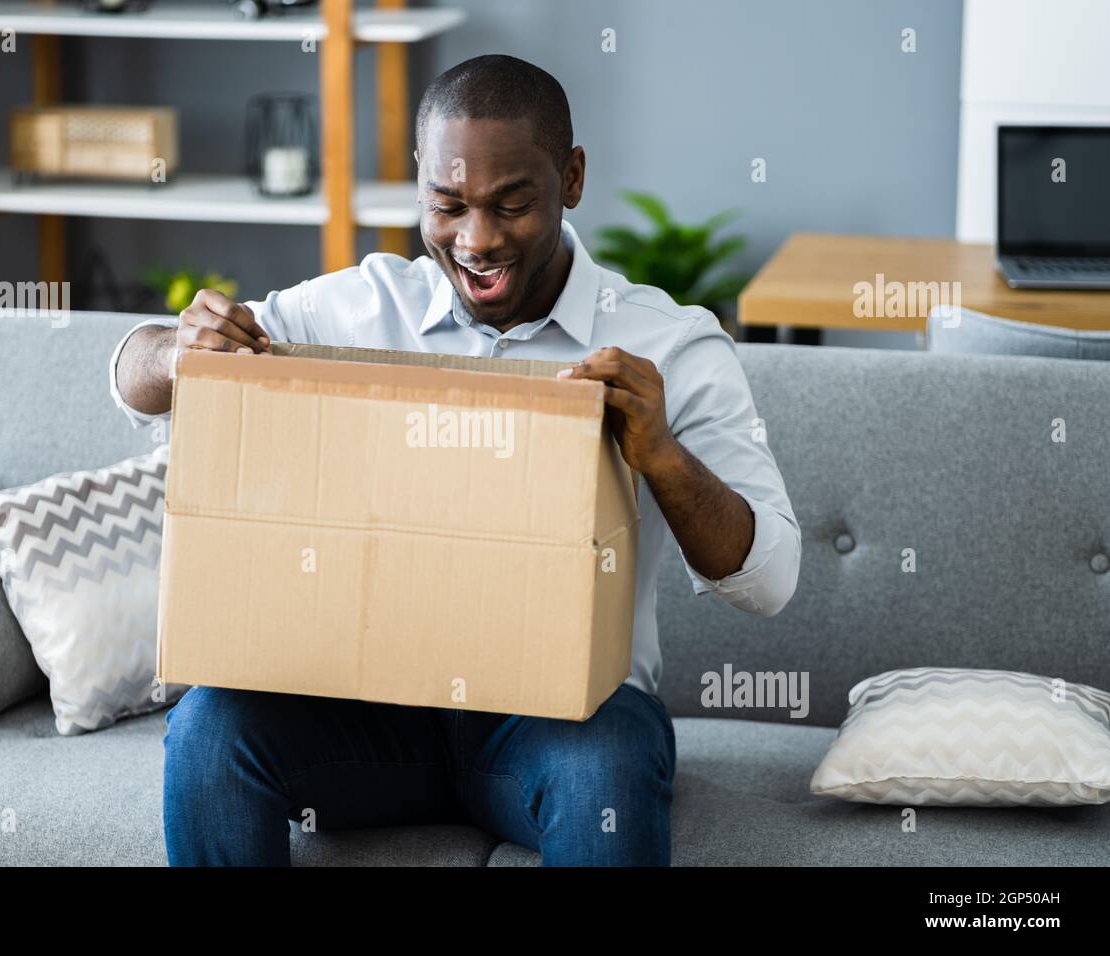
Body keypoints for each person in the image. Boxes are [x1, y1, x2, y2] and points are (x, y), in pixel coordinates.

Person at [111, 54, 800, 866]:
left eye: (512, 205)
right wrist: (176, 351)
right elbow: (131, 378)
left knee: (603, 770)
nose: (477, 241)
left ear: (571, 178)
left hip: (565, 724)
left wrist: (663, 458)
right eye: (449, 205)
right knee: (209, 727)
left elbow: (771, 579)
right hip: (362, 714)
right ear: (420, 186)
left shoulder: (667, 344)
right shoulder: (356, 309)